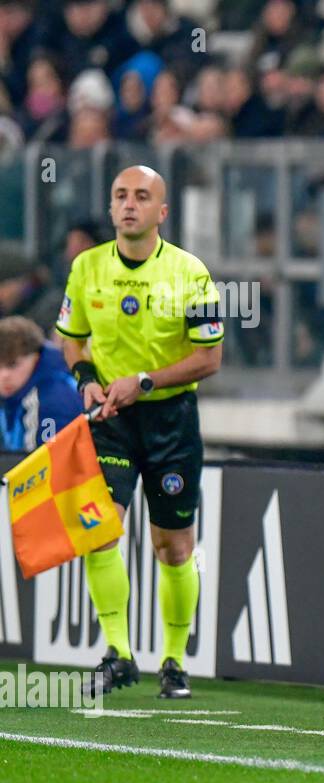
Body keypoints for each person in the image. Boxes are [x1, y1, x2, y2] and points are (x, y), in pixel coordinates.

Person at [55, 164, 222, 699]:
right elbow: (72, 338)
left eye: (142, 196)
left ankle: (173, 660)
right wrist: (84, 380)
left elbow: (209, 357)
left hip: (171, 422)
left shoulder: (191, 272)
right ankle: (119, 652)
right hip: (111, 419)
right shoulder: (86, 268)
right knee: (100, 529)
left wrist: (144, 382)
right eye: (120, 196)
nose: (129, 204)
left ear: (161, 212)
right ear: (111, 208)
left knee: (173, 548)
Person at [0, 315, 80, 451]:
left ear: (36, 357)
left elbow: (48, 467)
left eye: (13, 365)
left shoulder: (52, 400)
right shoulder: (15, 395)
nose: (4, 376)